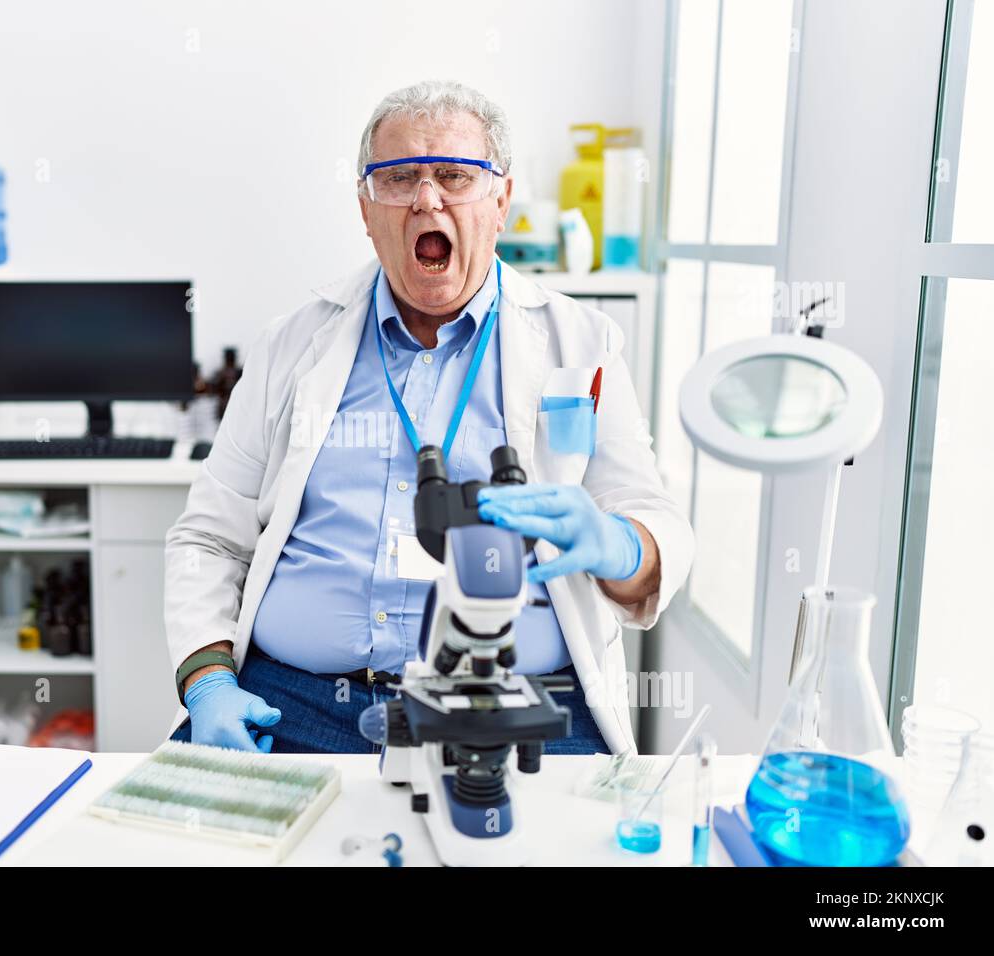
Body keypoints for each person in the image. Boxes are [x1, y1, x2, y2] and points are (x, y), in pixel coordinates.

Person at [164, 80, 693, 756]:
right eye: (398, 177)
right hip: (295, 702)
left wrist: (620, 542)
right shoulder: (291, 345)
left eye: (454, 175)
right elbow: (209, 538)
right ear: (365, 207)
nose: (425, 198)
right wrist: (209, 684)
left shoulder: (583, 343)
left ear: (500, 201)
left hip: (515, 705)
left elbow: (659, 529)